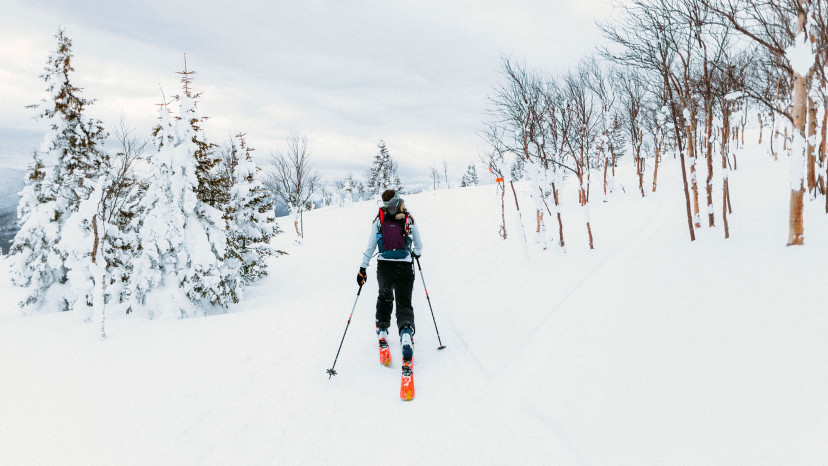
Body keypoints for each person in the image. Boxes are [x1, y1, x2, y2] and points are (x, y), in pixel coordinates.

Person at [357, 189, 423, 367]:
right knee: (404, 302)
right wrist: (415, 254)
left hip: (384, 267)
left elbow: (371, 245)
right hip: (405, 266)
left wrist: (363, 268)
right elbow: (419, 245)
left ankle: (383, 332)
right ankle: (406, 334)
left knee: (385, 298)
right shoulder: (408, 218)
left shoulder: (379, 219)